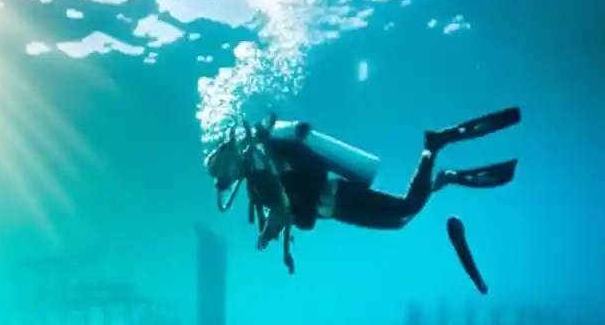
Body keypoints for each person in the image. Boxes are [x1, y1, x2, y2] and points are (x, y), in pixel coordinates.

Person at [204, 107, 521, 273]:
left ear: (233, 159)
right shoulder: (258, 180)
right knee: (401, 218)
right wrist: (274, 237)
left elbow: (312, 170)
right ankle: (438, 177)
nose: (226, 181)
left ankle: (433, 148)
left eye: (225, 173)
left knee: (405, 211)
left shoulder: (274, 156)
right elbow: (283, 209)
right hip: (338, 209)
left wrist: (291, 210)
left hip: (340, 197)